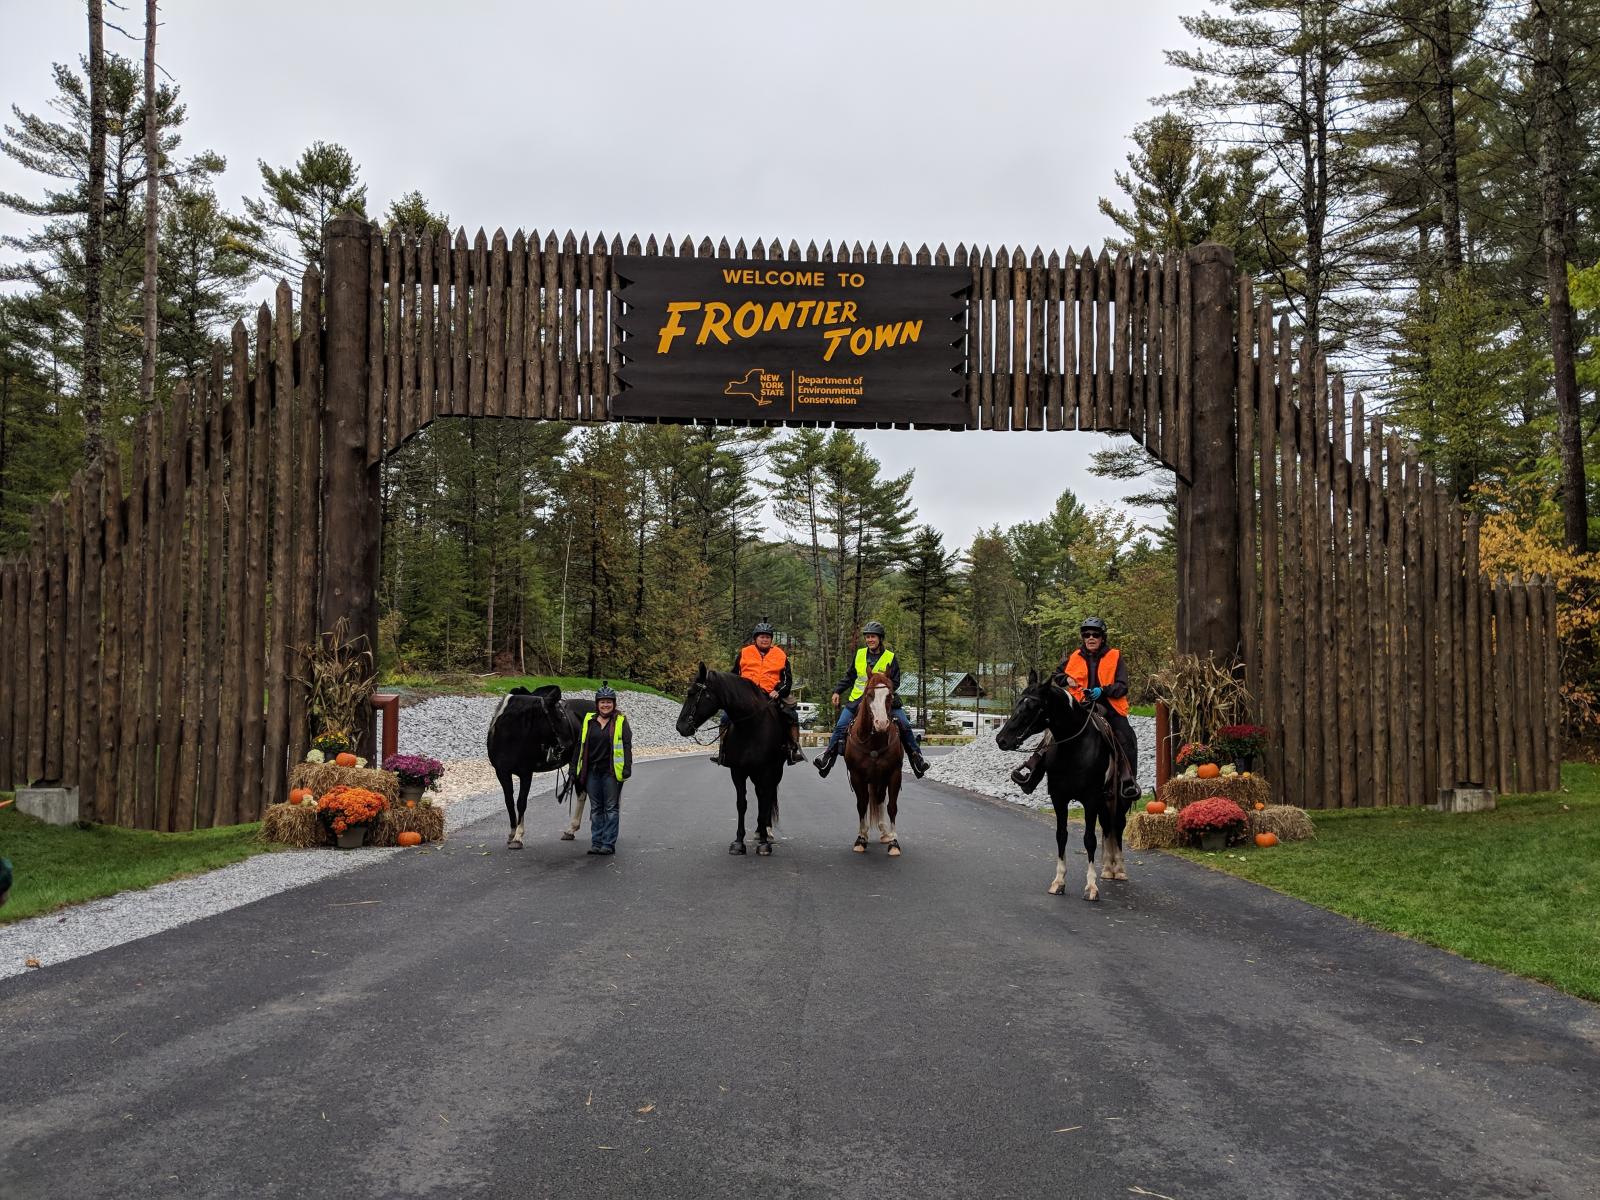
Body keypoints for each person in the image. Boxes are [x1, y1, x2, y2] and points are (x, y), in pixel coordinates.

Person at [1010, 617, 1141, 801]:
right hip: (1080, 706)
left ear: (1102, 637)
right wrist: (1066, 679)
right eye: (1086, 634)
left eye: (1095, 634)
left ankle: (1128, 780)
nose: (1090, 638)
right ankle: (1031, 772)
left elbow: (1122, 686)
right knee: (1051, 734)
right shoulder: (1074, 656)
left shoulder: (1115, 656)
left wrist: (1102, 691)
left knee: (1125, 735)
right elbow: (1057, 675)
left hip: (1108, 706)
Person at [814, 620, 930, 779]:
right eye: (867, 637)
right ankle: (827, 758)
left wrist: (884, 689)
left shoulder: (890, 657)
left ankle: (916, 757)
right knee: (841, 725)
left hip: (883, 698)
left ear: (880, 638)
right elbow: (850, 676)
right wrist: (837, 691)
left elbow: (895, 680)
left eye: (873, 637)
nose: (870, 640)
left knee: (904, 724)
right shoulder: (860, 654)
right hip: (859, 698)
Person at [711, 618, 805, 766]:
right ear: (756, 638)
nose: (765, 639)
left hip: (770, 695)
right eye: (762, 636)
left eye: (767, 637)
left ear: (771, 640)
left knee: (792, 715)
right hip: (745, 695)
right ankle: (723, 751)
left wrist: (778, 691)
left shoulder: (780, 655)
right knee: (725, 718)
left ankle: (792, 750)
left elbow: (788, 680)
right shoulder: (744, 653)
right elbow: (734, 675)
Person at [576, 682, 632, 855]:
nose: (605, 704)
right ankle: (596, 842)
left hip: (611, 771)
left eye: (609, 701)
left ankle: (608, 843)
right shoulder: (589, 720)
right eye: (602, 701)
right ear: (597, 703)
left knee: (611, 808)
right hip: (592, 771)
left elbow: (627, 745)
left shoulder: (620, 721)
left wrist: (627, 767)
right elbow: (580, 744)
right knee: (596, 808)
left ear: (614, 704)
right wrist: (574, 768)